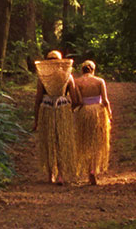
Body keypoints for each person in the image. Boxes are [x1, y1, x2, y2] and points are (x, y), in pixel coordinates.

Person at [33, 50, 78, 185]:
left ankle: (50, 175)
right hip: (62, 111)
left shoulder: (42, 78)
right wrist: (69, 111)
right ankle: (61, 175)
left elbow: (38, 100)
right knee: (61, 142)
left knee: (49, 141)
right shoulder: (67, 76)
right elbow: (75, 99)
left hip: (46, 110)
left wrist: (36, 120)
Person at [74, 60, 112, 185]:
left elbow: (78, 101)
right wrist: (109, 113)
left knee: (85, 142)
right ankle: (93, 170)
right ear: (93, 69)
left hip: (84, 112)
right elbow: (105, 100)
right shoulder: (100, 81)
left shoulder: (77, 82)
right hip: (97, 112)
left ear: (82, 70)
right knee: (97, 142)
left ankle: (88, 169)